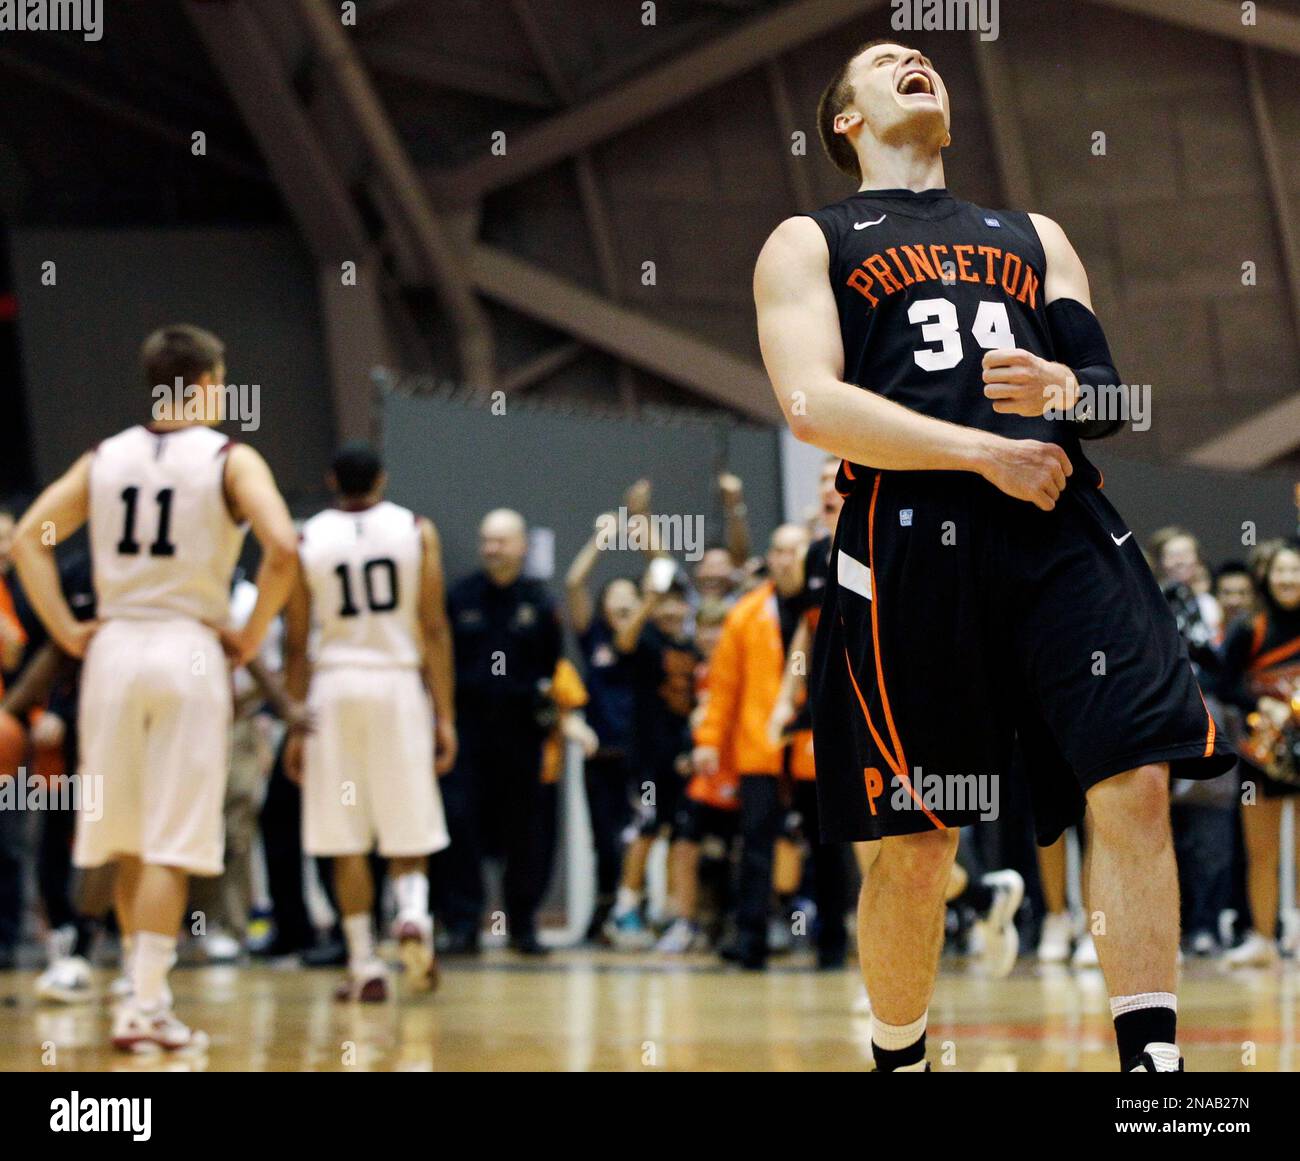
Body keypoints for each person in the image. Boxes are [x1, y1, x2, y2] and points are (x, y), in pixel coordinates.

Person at [753, 40, 1233, 1071]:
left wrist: (1063, 392)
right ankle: (898, 1052)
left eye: (921, 55)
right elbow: (811, 405)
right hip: (908, 544)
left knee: (1136, 778)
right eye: (884, 60)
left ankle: (1153, 1069)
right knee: (919, 847)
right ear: (845, 119)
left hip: (1054, 528)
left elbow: (1103, 394)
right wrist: (982, 450)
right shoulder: (807, 241)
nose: (913, 60)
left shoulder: (1031, 234)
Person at [11, 324, 298, 1051]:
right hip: (187, 646)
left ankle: (143, 995)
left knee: (130, 836)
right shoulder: (231, 458)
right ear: (206, 381)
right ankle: (144, 1003)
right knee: (172, 838)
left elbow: (28, 540)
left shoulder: (105, 456)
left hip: (112, 651)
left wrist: (68, 633)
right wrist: (251, 629)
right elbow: (284, 548)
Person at [284, 443, 455, 999]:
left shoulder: (306, 537)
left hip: (334, 686)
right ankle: (412, 913)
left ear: (332, 479)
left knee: (345, 835)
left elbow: (295, 641)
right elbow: (433, 627)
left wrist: (293, 719)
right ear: (383, 478)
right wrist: (445, 715)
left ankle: (364, 962)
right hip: (398, 683)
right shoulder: (416, 529)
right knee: (408, 819)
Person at [438, 509, 563, 955]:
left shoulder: (540, 602)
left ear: (522, 546)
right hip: (469, 729)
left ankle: (522, 925)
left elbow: (551, 663)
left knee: (525, 832)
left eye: (502, 541)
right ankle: (462, 925)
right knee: (461, 827)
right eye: (487, 540)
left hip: (520, 731)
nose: (493, 549)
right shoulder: (461, 596)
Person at [1214, 540, 1300, 967]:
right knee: (1261, 853)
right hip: (1262, 753)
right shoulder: (1251, 627)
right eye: (1281, 570)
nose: (1288, 579)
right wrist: (1258, 705)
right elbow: (1223, 682)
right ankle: (1263, 939)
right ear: (1268, 576)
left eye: (1296, 570)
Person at [605, 569, 698, 947]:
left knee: (680, 832)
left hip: (682, 756)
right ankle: (624, 907)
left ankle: (676, 913)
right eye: (665, 602)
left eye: (677, 601)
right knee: (645, 827)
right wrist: (649, 602)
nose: (671, 610)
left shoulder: (693, 647)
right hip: (647, 757)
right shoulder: (646, 639)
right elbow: (622, 641)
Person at [566, 513, 641, 941]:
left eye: (626, 597)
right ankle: (601, 917)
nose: (618, 603)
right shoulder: (593, 637)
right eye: (611, 596)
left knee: (640, 837)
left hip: (639, 755)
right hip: (601, 756)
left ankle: (633, 914)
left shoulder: (643, 642)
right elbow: (575, 583)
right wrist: (601, 540)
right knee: (603, 841)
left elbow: (661, 582)